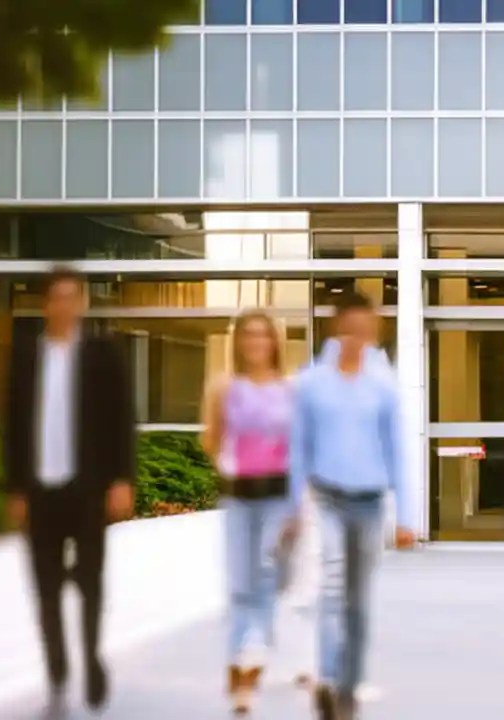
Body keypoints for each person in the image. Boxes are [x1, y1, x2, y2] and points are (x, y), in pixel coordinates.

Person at [1, 267, 136, 712]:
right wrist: (15, 488)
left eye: (69, 297)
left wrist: (122, 480)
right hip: (40, 490)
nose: (62, 305)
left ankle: (92, 658)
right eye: (54, 298)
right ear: (45, 305)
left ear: (82, 302)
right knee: (45, 586)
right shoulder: (25, 357)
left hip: (88, 489)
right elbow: (13, 428)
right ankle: (57, 666)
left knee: (91, 581)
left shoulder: (104, 355)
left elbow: (122, 421)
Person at [289, 292, 417, 720]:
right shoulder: (311, 383)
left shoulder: (383, 385)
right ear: (338, 328)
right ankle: (326, 677)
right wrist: (292, 507)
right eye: (353, 328)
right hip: (327, 498)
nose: (360, 336)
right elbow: (298, 450)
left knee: (359, 601)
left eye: (368, 329)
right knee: (330, 585)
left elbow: (398, 450)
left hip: (369, 503)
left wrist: (407, 516)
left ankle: (349, 687)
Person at [200, 310, 293, 715]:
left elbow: (301, 448)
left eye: (263, 335)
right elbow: (211, 438)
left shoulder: (290, 389)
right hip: (238, 496)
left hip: (278, 495)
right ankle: (240, 665)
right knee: (240, 583)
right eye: (249, 335)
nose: (256, 342)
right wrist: (236, 457)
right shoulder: (224, 387)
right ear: (238, 341)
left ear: (275, 341)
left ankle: (253, 655)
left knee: (269, 578)